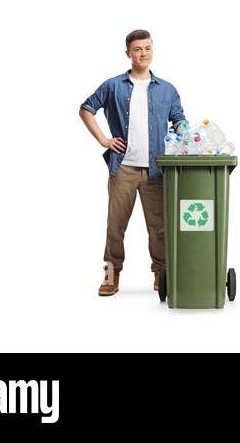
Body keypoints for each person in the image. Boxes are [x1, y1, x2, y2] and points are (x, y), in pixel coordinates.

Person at [78, 29, 187, 296]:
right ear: (128, 53)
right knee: (115, 226)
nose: (143, 53)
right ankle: (110, 276)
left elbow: (180, 119)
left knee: (160, 228)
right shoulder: (113, 86)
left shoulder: (168, 89)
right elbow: (86, 108)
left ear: (153, 50)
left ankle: (161, 275)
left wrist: (187, 133)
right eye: (137, 49)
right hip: (123, 167)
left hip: (156, 170)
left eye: (147, 48)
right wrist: (104, 139)